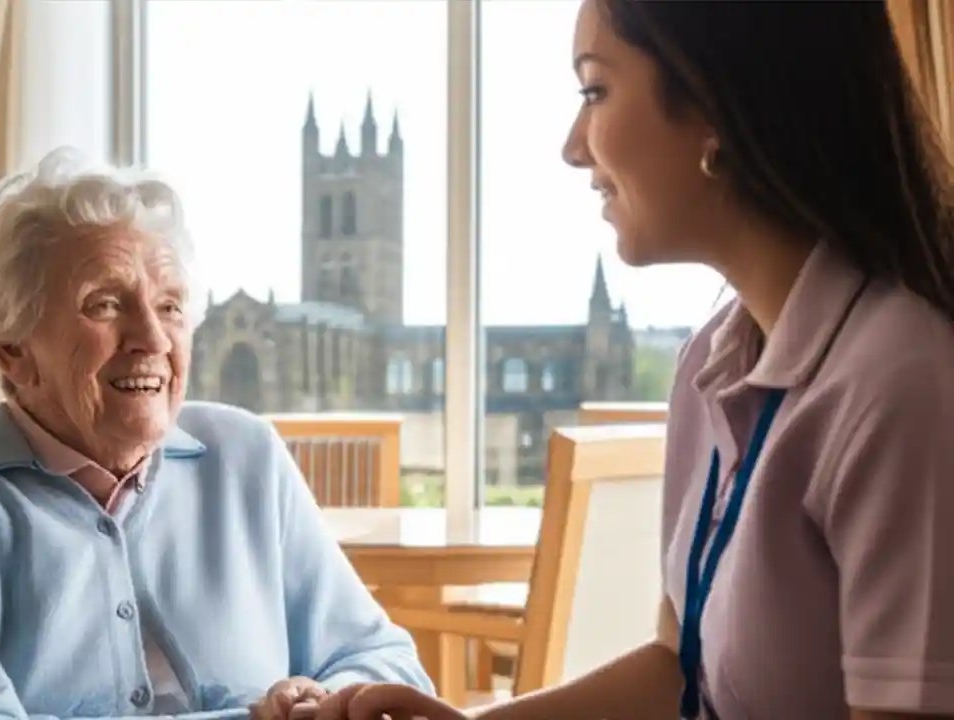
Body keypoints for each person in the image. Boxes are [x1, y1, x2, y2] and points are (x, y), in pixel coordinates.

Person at [309, 1, 954, 719]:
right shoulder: (712, 361)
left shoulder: (903, 386)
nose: (572, 146)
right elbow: (678, 670)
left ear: (714, 103)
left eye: (595, 91)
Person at [0, 149, 433, 720]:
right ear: (11, 348)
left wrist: (332, 700)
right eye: (105, 305)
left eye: (170, 307)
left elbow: (383, 659)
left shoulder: (245, 456)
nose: (154, 340)